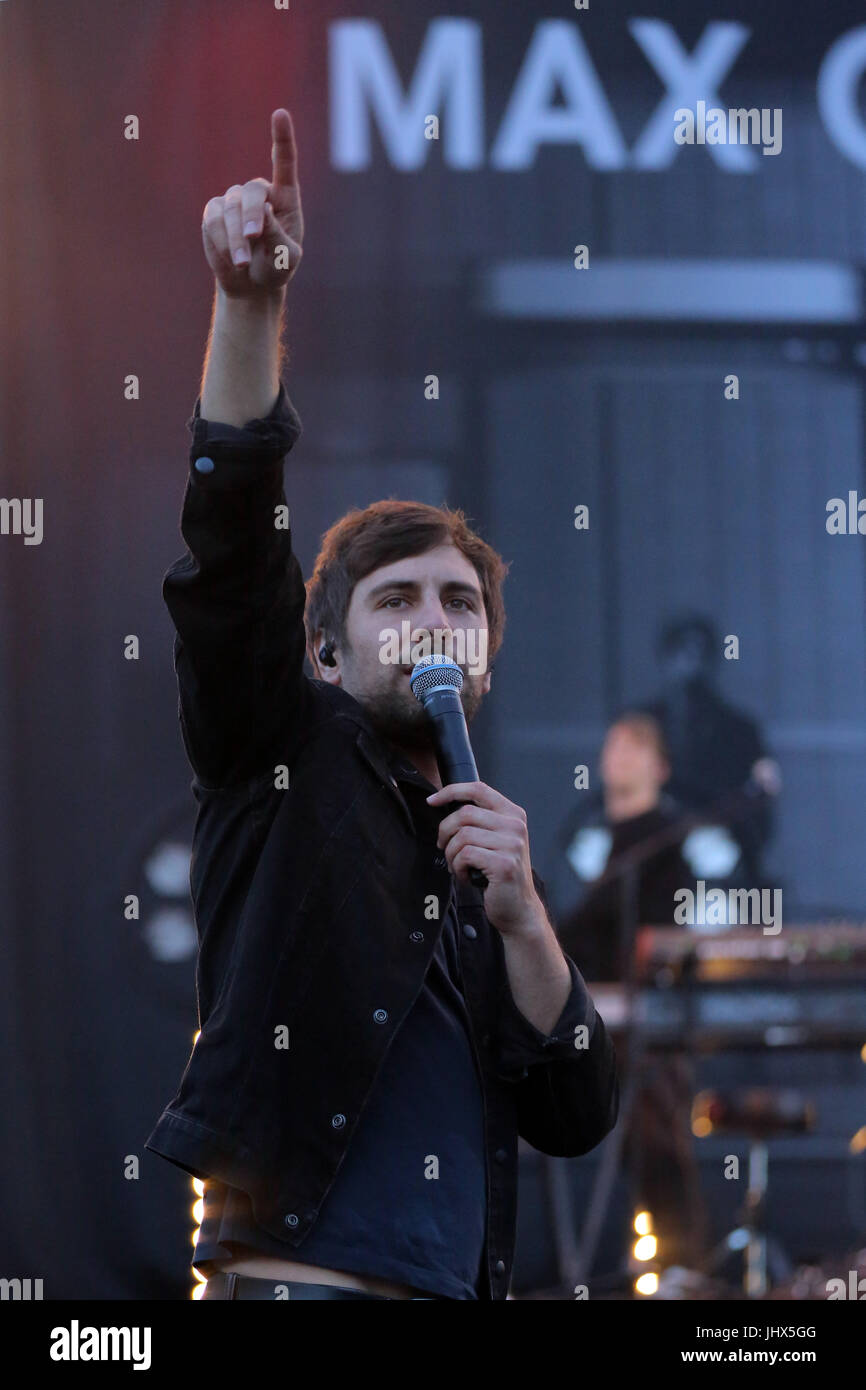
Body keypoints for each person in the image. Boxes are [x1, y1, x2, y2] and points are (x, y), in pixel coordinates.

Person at [144, 109, 618, 1302]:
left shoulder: (485, 852)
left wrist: (526, 925)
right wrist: (249, 307)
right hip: (300, 1279)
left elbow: (574, 1111)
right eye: (394, 598)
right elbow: (229, 548)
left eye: (457, 602)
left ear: (488, 659)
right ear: (319, 650)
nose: (429, 618)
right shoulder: (280, 751)